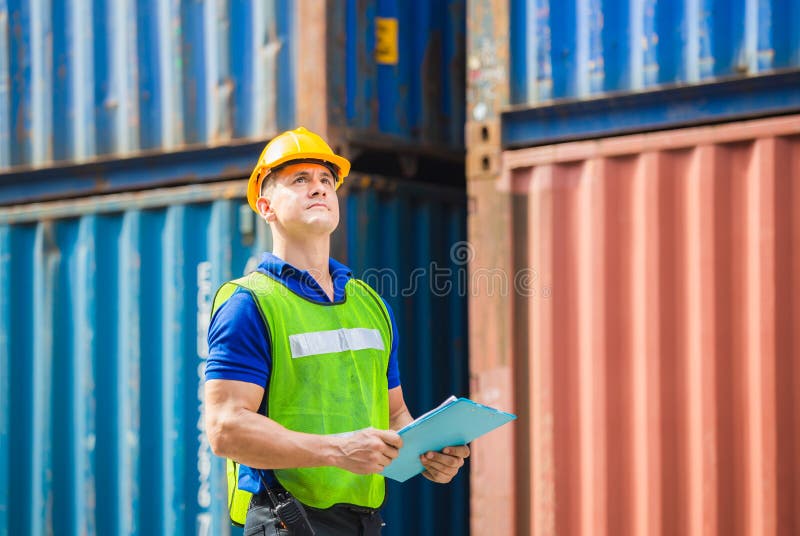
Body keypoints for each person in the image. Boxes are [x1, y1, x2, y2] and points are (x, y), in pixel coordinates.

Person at [204, 127, 470, 535]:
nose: (319, 189)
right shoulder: (249, 303)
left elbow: (394, 414)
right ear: (266, 206)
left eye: (326, 180)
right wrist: (338, 451)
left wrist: (427, 455)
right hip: (287, 521)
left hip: (365, 523)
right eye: (300, 180)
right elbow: (226, 428)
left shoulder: (369, 304)